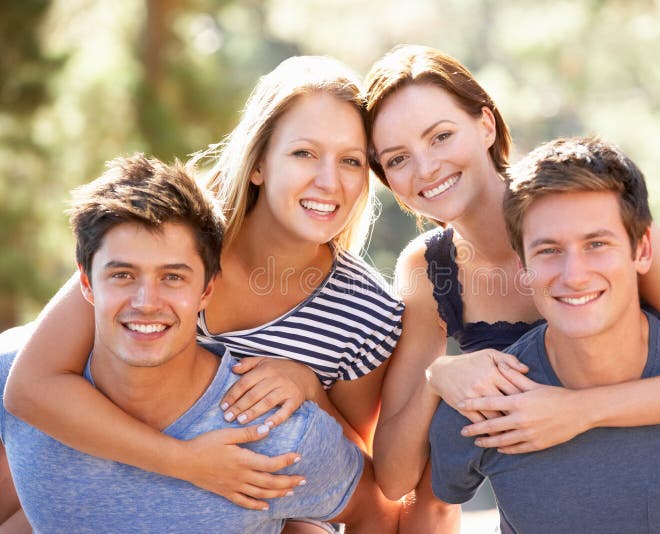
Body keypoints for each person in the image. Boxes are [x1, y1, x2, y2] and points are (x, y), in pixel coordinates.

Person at [364, 45, 660, 532]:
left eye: (440, 136)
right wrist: (437, 376)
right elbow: (397, 478)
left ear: (486, 125)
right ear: (386, 179)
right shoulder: (429, 268)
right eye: (398, 159)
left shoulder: (588, 213)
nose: (425, 169)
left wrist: (578, 411)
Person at [3, 57, 402, 533]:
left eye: (351, 161)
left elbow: (355, 469)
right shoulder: (177, 231)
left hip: (251, 506)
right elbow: (31, 386)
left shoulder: (364, 310)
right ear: (257, 164)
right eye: (304, 153)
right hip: (106, 457)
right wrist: (186, 462)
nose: (328, 181)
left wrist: (309, 385)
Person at [428, 136, 660, 532]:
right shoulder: (489, 401)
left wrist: (583, 410)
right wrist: (433, 373)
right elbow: (424, 505)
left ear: (642, 251)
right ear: (522, 265)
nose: (574, 275)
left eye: (597, 244)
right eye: (549, 250)